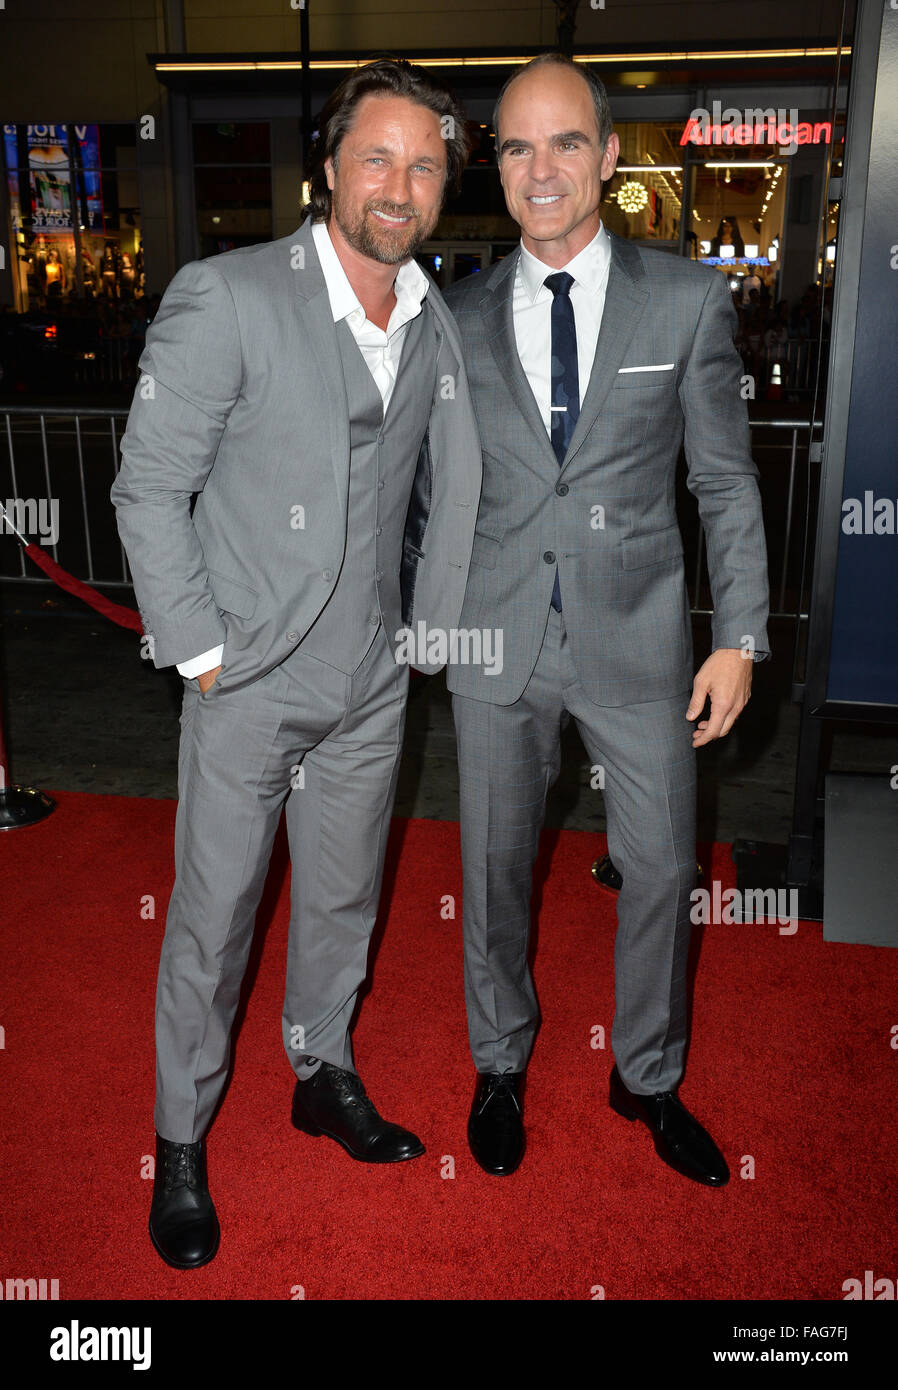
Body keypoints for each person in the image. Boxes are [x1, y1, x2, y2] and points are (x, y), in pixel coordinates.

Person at [111, 57, 480, 1268]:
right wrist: (204, 652)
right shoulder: (227, 297)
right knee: (213, 922)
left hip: (374, 681)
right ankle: (177, 1138)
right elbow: (148, 489)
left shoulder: (432, 313)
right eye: (377, 157)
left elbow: (435, 487)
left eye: (424, 164)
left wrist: (421, 634)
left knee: (342, 900)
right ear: (327, 169)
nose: (400, 183)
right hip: (250, 677)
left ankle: (320, 1071)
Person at [444, 53, 769, 1186]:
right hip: (493, 644)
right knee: (490, 874)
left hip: (638, 644)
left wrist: (739, 636)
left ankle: (647, 1074)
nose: (543, 168)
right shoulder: (459, 308)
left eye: (566, 141)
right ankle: (499, 1061)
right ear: (496, 161)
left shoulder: (684, 299)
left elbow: (724, 481)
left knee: (662, 867)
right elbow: (428, 488)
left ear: (609, 156)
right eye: (518, 145)